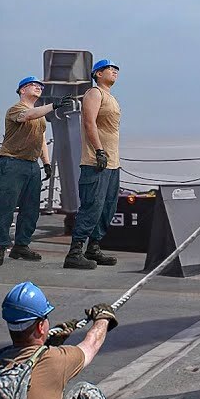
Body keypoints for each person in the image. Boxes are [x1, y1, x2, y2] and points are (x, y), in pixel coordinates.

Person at [0, 77, 74, 266]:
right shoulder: (15, 109)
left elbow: (41, 138)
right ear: (22, 90)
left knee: (31, 209)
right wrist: (53, 105)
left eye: (40, 86)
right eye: (33, 85)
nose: (38, 87)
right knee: (7, 207)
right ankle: (0, 248)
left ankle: (21, 245)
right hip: (12, 163)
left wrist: (46, 162)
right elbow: (27, 116)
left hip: (32, 165)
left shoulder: (40, 116)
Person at [65, 58, 122, 270]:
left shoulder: (112, 98)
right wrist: (99, 151)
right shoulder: (94, 93)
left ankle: (93, 248)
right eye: (110, 68)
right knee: (92, 206)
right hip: (96, 161)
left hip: (113, 163)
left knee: (107, 207)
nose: (115, 71)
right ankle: (74, 252)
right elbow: (89, 122)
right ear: (98, 73)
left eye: (116, 69)